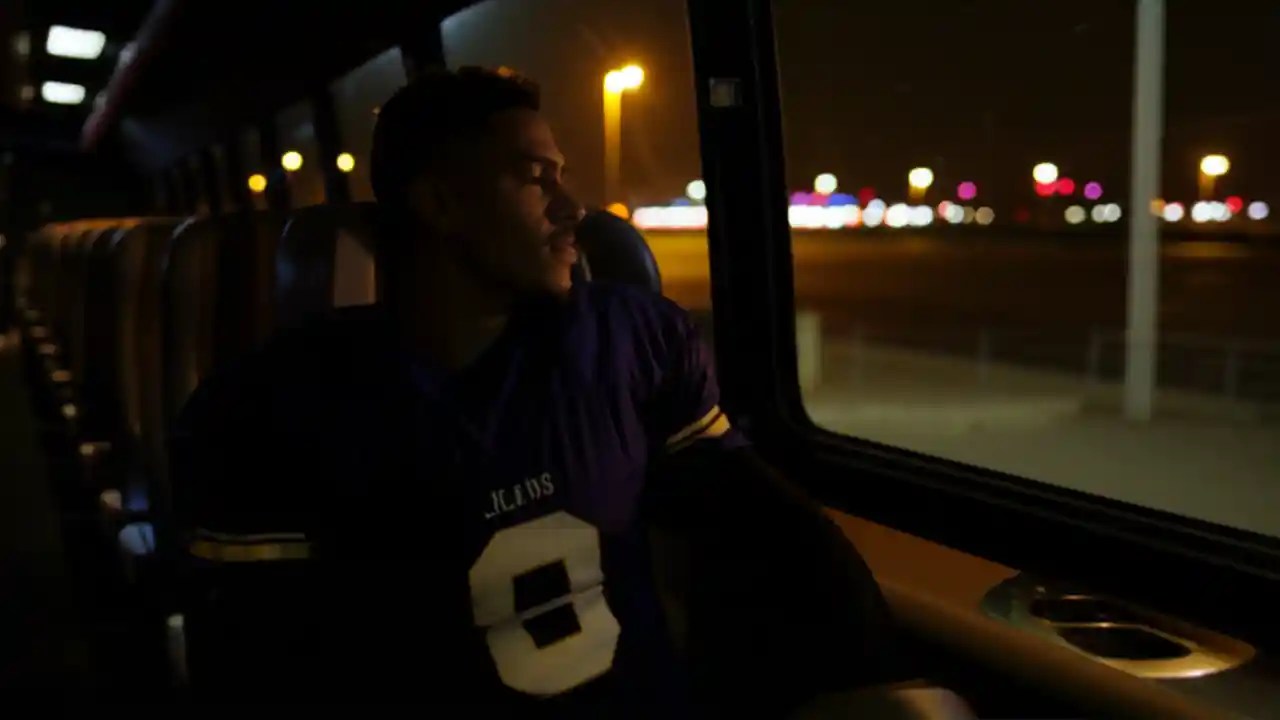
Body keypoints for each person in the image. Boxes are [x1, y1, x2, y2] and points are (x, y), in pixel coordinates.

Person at [170, 67, 902, 714]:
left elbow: (761, 525)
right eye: (535, 178)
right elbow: (256, 666)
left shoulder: (632, 342)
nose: (571, 207)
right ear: (440, 203)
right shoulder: (267, 412)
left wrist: (875, 671)